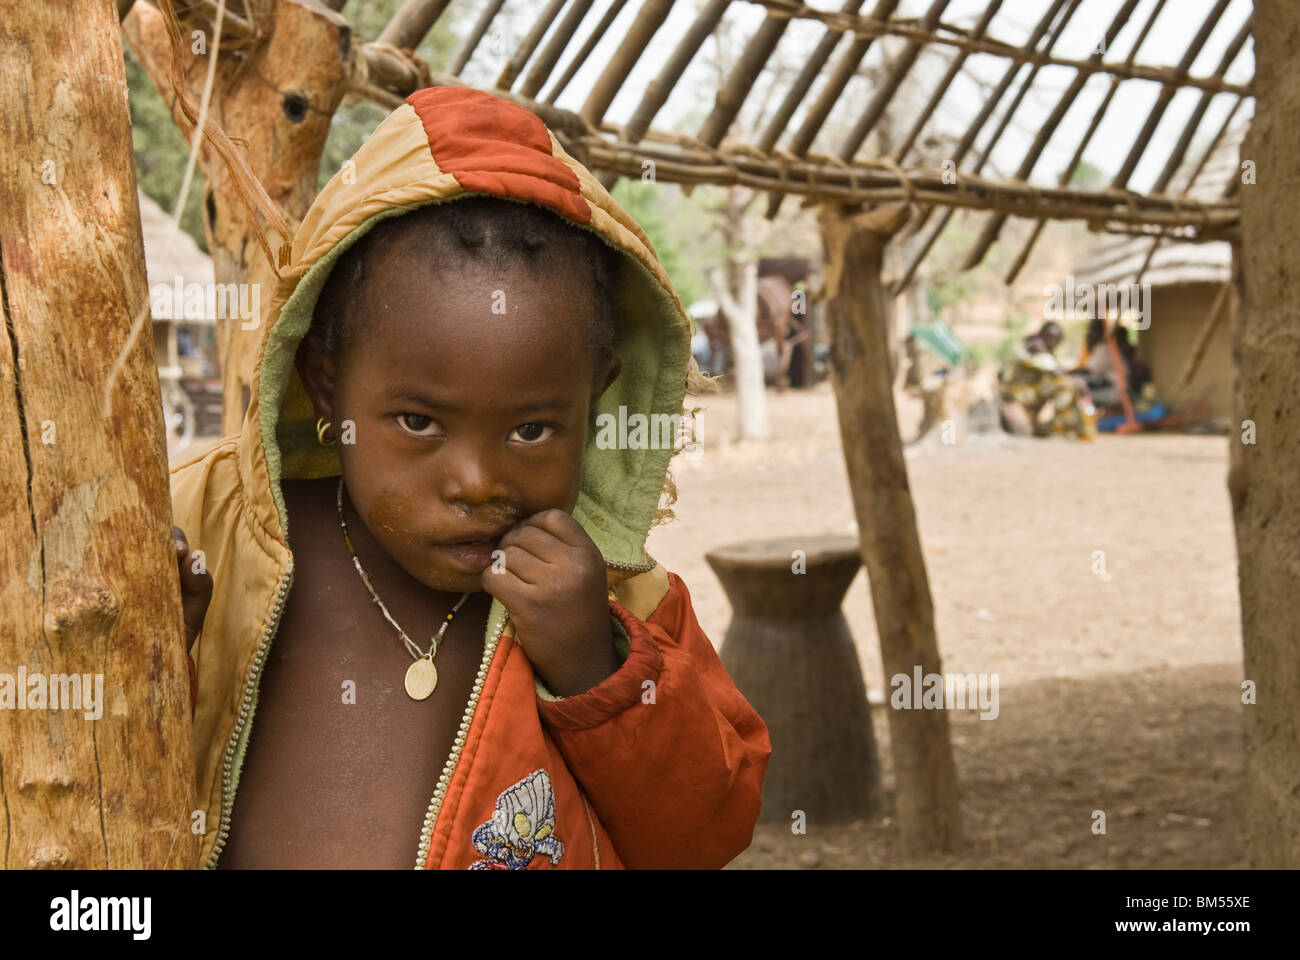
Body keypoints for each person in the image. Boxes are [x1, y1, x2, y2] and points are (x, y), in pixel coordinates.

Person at [168, 87, 771, 870]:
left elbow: (704, 832)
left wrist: (597, 667)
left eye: (531, 430)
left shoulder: (621, 601)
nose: (479, 481)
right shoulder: (212, 529)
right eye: (419, 422)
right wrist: (154, 649)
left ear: (596, 400)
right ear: (325, 381)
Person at [998, 321, 1097, 438]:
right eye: (1049, 338)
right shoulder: (1035, 346)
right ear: (1041, 335)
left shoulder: (1041, 349)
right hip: (1015, 393)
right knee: (1064, 384)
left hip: (1025, 392)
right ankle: (1054, 427)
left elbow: (1054, 368)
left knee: (1067, 382)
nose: (1052, 342)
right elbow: (1056, 372)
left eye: (1056, 340)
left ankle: (1059, 425)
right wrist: (1076, 380)